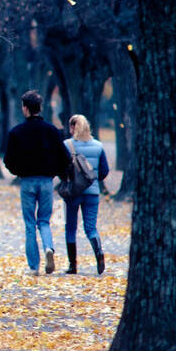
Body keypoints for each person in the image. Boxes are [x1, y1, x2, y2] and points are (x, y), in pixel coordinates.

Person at [4, 90, 70, 275]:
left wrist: (19, 172)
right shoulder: (52, 131)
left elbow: (8, 160)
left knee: (29, 223)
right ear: (40, 108)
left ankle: (34, 266)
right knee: (44, 221)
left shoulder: (16, 132)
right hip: (47, 181)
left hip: (27, 181)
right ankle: (48, 247)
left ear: (25, 109)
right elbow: (65, 157)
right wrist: (54, 172)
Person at [62, 114, 108, 275]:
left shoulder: (67, 145)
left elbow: (62, 168)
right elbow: (104, 171)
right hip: (92, 192)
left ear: (74, 127)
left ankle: (72, 265)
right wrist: (93, 181)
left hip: (73, 192)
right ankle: (99, 253)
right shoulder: (98, 146)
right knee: (90, 228)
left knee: (71, 227)